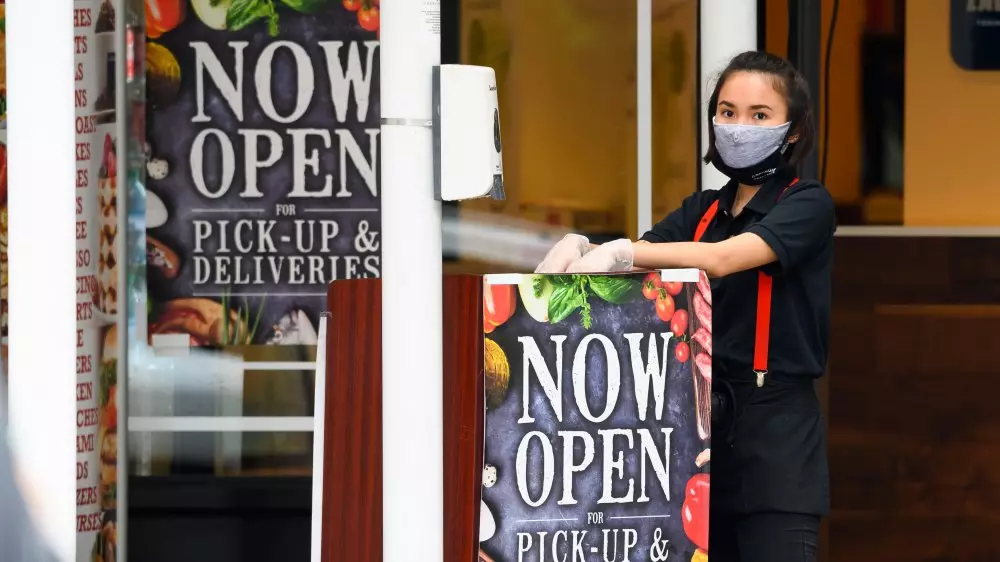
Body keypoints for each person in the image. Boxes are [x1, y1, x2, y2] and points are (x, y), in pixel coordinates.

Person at [536, 51, 833, 562]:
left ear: (793, 132)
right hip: (694, 435)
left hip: (775, 438)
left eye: (759, 115)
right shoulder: (702, 210)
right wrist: (587, 248)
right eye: (727, 111)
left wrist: (623, 249)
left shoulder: (807, 203)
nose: (739, 126)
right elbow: (642, 265)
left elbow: (720, 259)